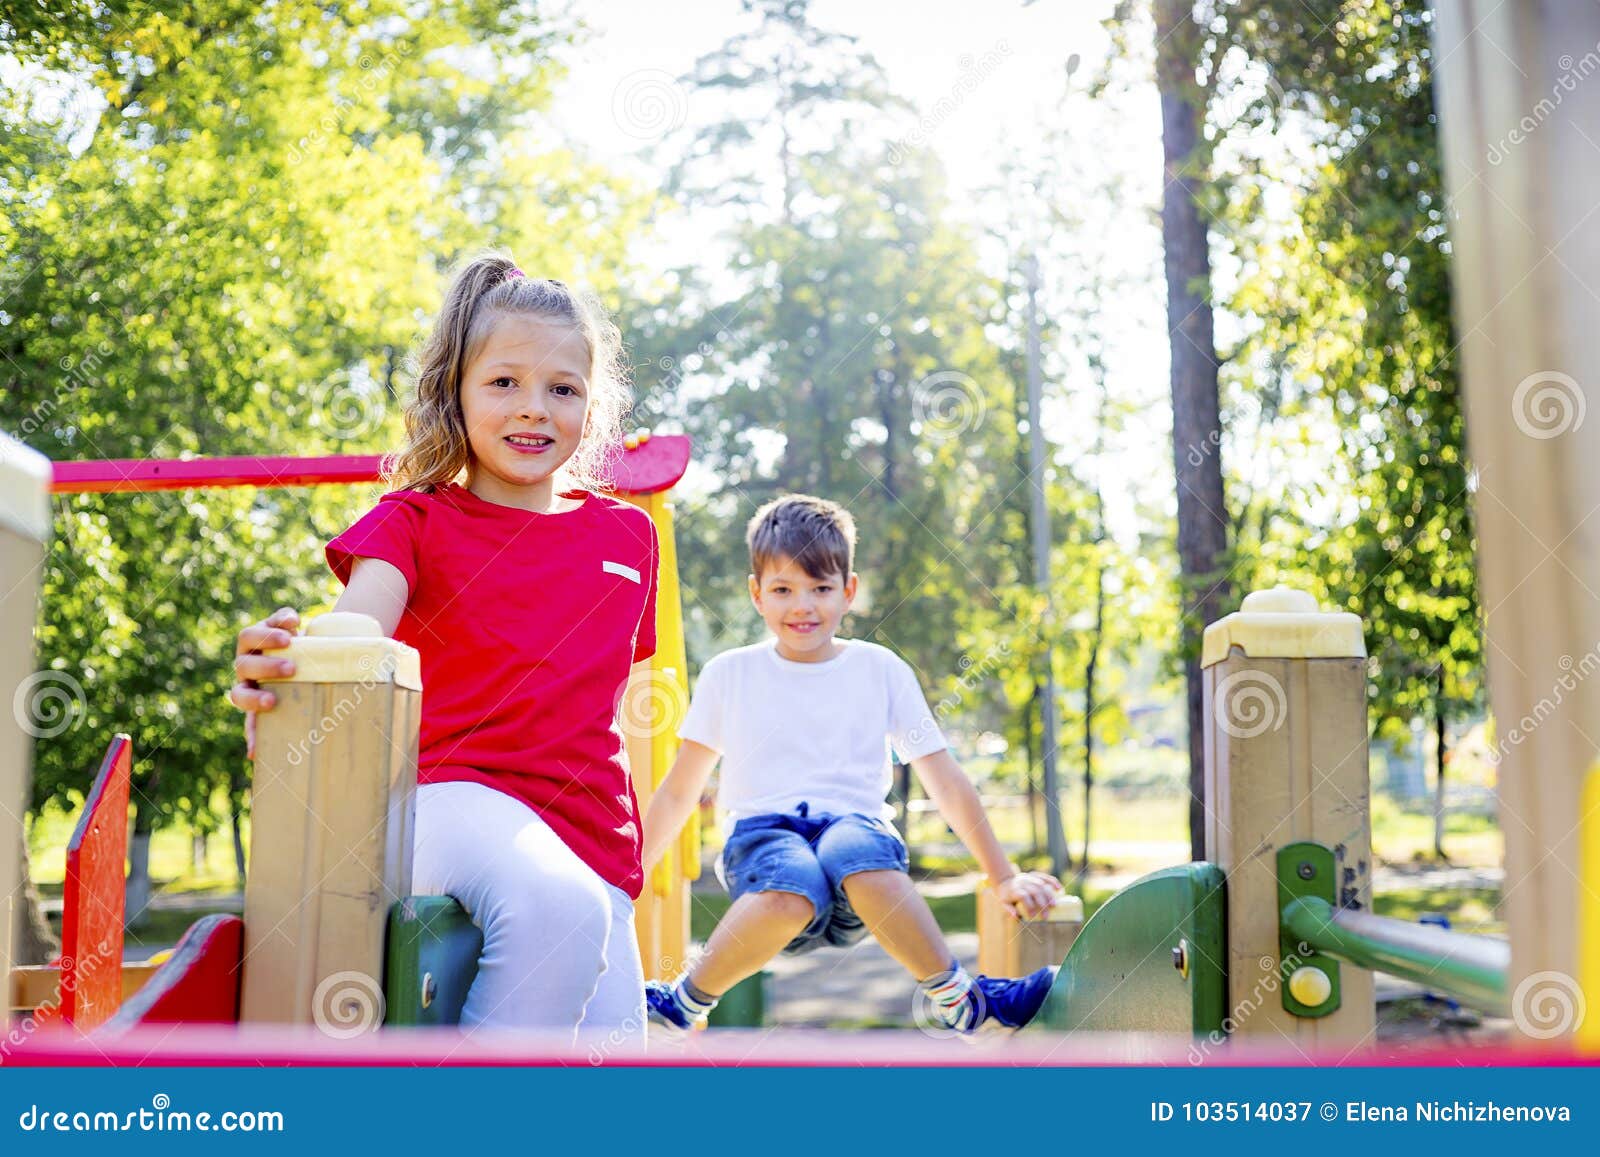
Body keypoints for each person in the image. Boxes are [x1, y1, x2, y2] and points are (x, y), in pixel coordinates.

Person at [229, 253, 658, 1042]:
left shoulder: (628, 536)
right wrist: (297, 661)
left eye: (563, 388)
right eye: (503, 382)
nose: (534, 408)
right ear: (455, 393)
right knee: (558, 908)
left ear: (592, 406)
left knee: (614, 1090)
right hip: (447, 802)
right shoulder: (414, 522)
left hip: (593, 841)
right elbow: (358, 627)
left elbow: (597, 706)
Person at [641, 494, 1062, 1035]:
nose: (803, 606)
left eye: (821, 588)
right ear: (756, 594)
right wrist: (625, 879)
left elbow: (945, 780)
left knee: (851, 845)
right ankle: (683, 1004)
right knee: (791, 879)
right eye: (783, 589)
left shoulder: (878, 669)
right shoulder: (730, 675)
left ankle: (963, 1004)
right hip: (763, 847)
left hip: (856, 859)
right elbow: (679, 790)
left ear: (849, 591)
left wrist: (1002, 875)